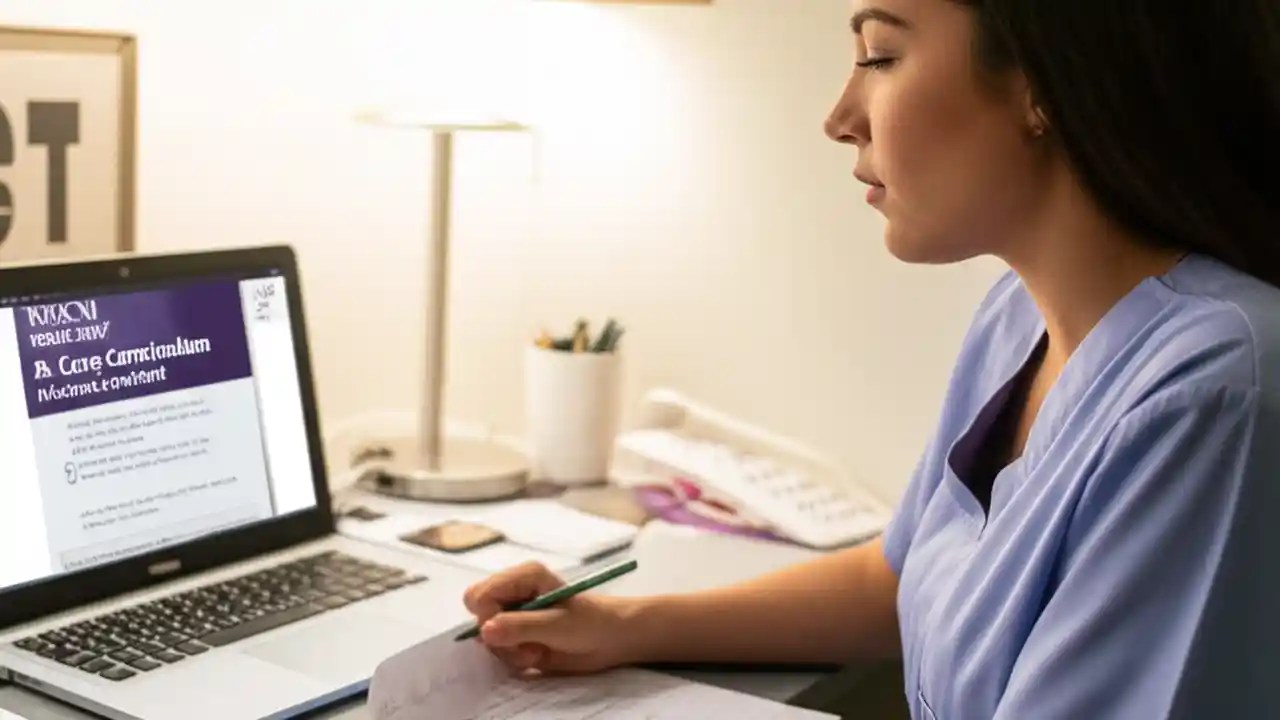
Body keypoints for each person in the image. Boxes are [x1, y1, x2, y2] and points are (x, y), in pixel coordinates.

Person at [461, 1, 1280, 717]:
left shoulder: (1213, 395)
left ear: (1043, 83)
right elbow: (901, 581)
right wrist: (625, 624)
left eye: (881, 57)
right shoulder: (1016, 320)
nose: (841, 114)